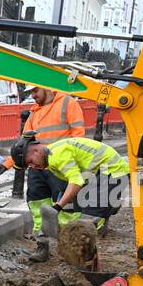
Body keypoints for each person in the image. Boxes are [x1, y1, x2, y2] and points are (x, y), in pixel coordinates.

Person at [10, 136, 130, 262]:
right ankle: (109, 208)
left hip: (114, 171)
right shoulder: (50, 158)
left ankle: (85, 261)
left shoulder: (58, 155)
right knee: (84, 214)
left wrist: (58, 207)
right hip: (98, 174)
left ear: (35, 151)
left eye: (30, 161)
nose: (32, 166)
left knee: (88, 221)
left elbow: (76, 182)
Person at [21, 86, 86, 241]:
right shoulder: (34, 113)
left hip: (61, 164)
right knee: (37, 203)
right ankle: (42, 244)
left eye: (35, 91)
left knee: (66, 207)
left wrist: (73, 161)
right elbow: (24, 145)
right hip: (38, 166)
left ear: (45, 88)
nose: (33, 95)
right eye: (31, 92)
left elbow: (78, 136)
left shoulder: (67, 103)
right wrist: (8, 164)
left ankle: (70, 244)